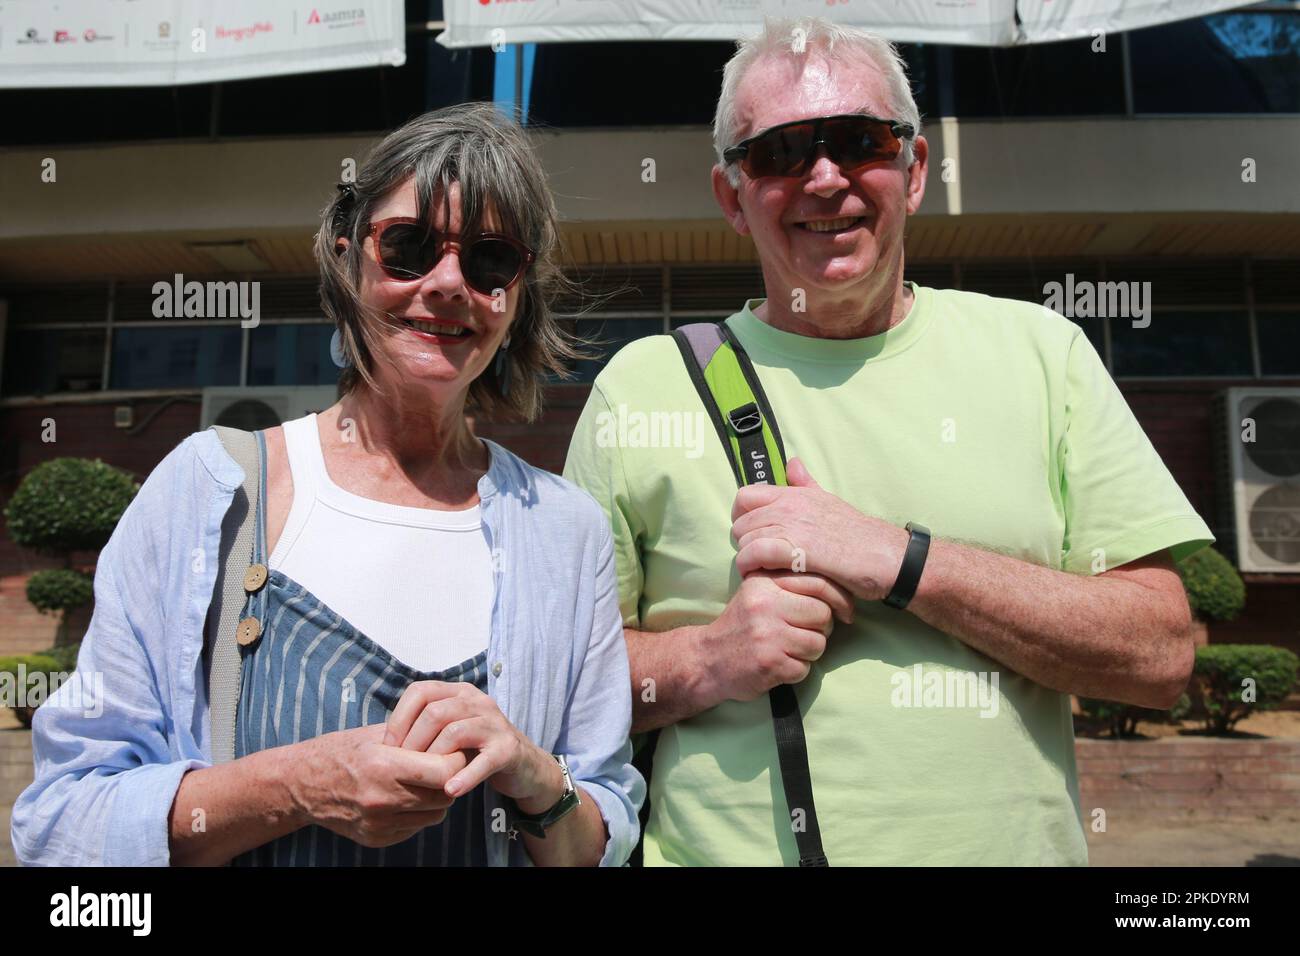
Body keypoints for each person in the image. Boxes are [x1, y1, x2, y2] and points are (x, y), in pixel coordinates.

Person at [563, 18, 1215, 865]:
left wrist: (898, 559)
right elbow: (564, 688)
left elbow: (1160, 652)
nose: (825, 177)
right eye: (781, 152)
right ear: (731, 197)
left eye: (858, 141)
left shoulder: (1042, 353)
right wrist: (705, 660)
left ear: (912, 172)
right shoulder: (641, 387)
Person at [12, 102, 644, 867]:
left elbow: (596, 838)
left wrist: (539, 778)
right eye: (409, 247)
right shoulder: (215, 493)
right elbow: (61, 820)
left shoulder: (565, 531)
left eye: (488, 261)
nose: (448, 284)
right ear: (348, 261)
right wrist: (297, 786)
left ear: (516, 300)